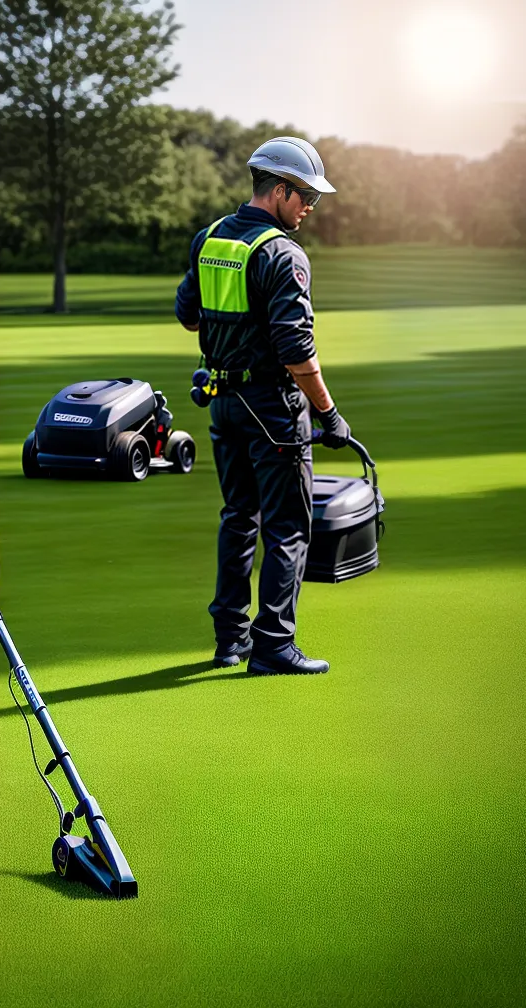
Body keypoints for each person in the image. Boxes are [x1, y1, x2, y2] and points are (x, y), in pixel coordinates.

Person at [175, 137, 352, 675]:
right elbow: (297, 351)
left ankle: (230, 638)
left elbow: (188, 316)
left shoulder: (209, 239)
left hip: (223, 404)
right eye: (306, 197)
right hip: (273, 410)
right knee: (288, 527)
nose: (310, 208)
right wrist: (328, 414)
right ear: (279, 190)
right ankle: (274, 644)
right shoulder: (282, 254)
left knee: (238, 518)